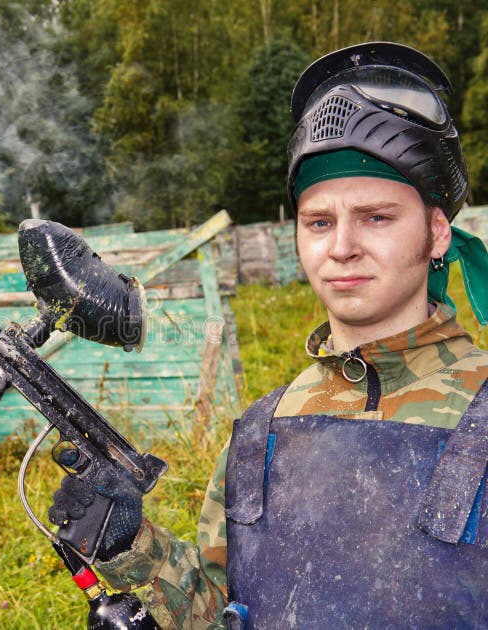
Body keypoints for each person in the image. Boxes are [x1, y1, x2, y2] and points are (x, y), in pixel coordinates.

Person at [48, 42, 488, 628]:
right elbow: (217, 610)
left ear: (436, 232)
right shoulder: (260, 433)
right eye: (320, 222)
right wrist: (132, 547)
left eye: (376, 217)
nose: (341, 247)